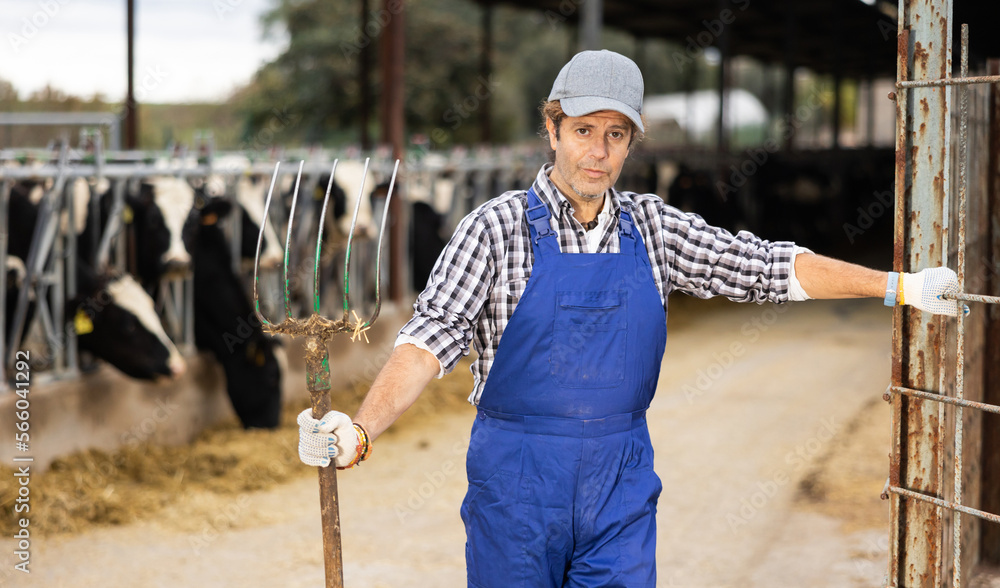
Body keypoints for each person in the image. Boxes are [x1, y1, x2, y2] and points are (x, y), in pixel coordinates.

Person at [295, 50, 964, 587]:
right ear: (552, 128)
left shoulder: (652, 227)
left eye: (616, 136)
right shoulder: (494, 229)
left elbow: (767, 267)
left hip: (620, 478)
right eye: (584, 131)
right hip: (518, 481)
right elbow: (428, 340)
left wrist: (897, 286)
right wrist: (359, 431)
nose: (598, 152)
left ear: (632, 143)